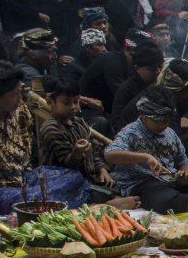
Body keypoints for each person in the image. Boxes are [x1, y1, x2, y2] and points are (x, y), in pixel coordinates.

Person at [106, 87, 188, 213]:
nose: (162, 124)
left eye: (166, 120)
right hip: (144, 184)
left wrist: (186, 174)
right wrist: (145, 157)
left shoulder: (169, 133)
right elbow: (110, 154)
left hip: (171, 180)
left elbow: (183, 160)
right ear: (142, 114)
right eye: (158, 121)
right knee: (165, 201)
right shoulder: (130, 132)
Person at [0, 60, 93, 214]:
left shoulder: (21, 110)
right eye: (14, 95)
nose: (20, 99)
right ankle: (78, 207)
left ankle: (66, 205)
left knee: (74, 176)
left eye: (20, 92)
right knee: (30, 199)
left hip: (24, 177)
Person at [37, 75, 138, 209]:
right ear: (50, 101)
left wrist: (102, 169)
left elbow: (94, 152)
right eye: (66, 103)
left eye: (76, 102)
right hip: (63, 181)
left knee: (124, 179)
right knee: (80, 190)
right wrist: (77, 153)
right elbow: (68, 165)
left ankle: (108, 199)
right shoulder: (51, 128)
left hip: (89, 178)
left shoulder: (78, 122)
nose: (73, 107)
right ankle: (106, 204)